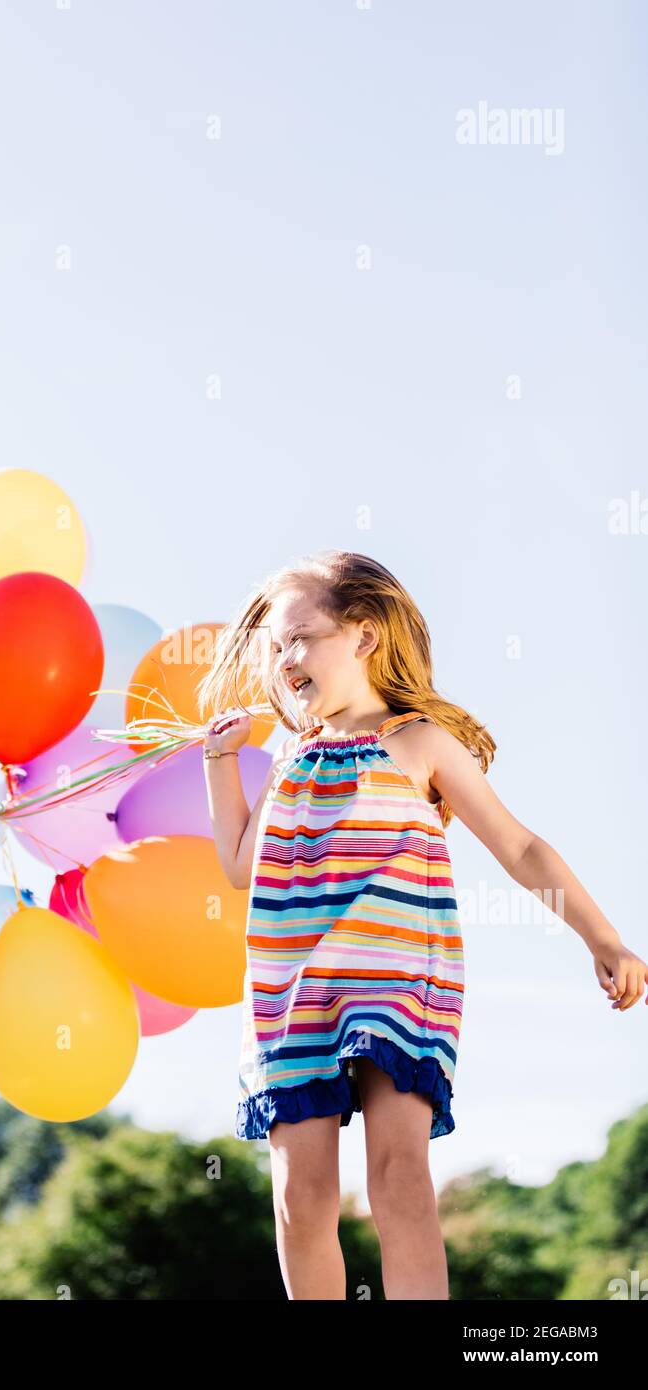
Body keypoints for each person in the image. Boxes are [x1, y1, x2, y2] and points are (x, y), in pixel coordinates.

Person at [197, 548, 647, 1301]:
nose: (284, 660)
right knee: (299, 1197)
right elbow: (242, 867)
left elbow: (521, 845)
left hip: (397, 978)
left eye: (300, 638)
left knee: (396, 1174)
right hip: (291, 989)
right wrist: (221, 762)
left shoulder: (417, 743)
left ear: (365, 637)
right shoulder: (287, 759)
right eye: (275, 648)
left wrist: (602, 938)